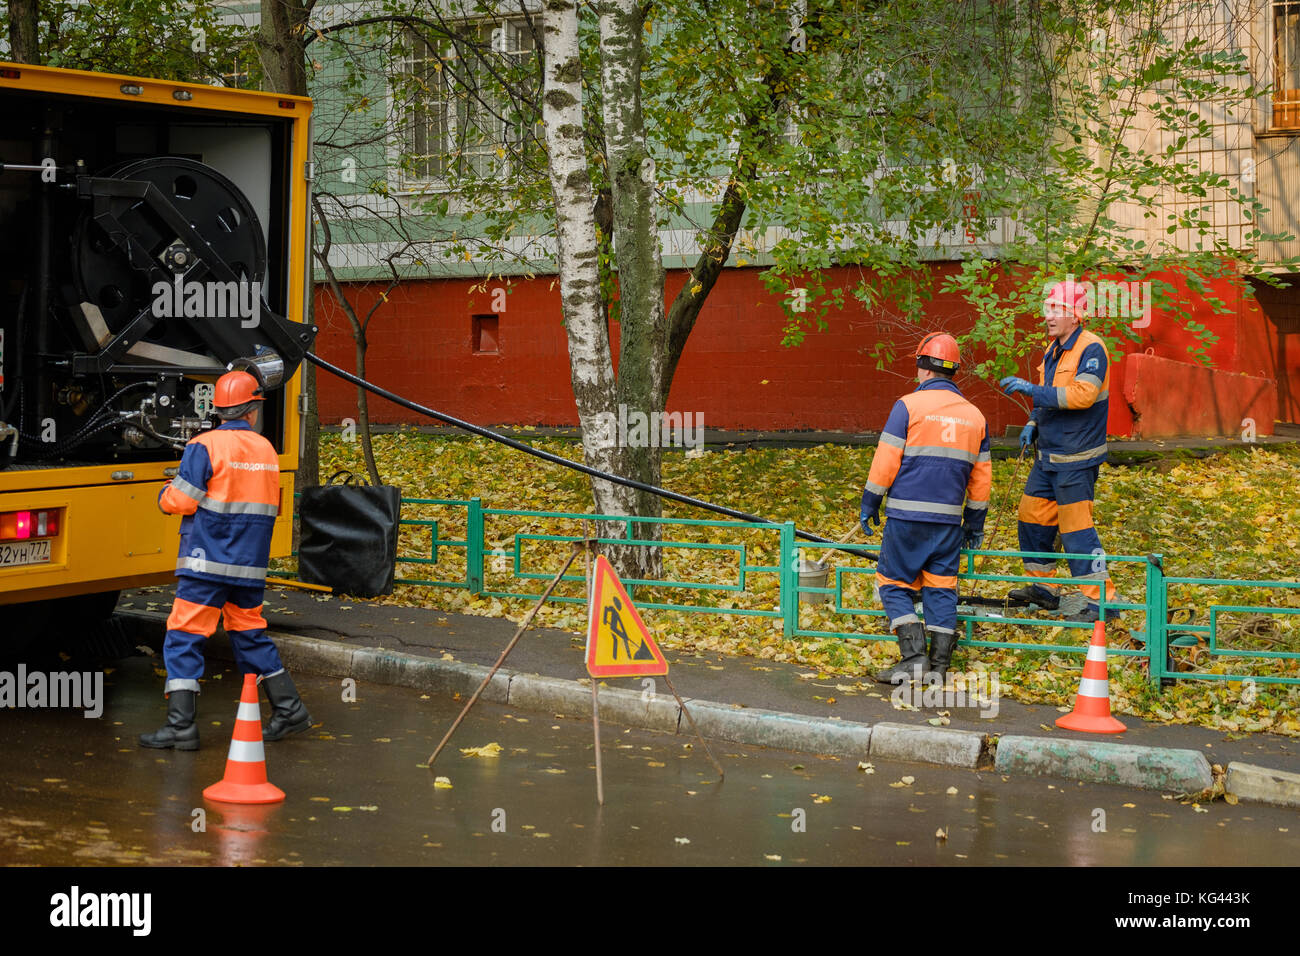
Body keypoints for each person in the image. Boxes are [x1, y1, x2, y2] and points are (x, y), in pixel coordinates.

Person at [139, 369, 312, 750]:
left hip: (207, 562)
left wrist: (164, 494)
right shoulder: (266, 449)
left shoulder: (205, 445)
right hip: (248, 566)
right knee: (249, 633)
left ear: (218, 410)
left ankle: (181, 726)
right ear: (252, 411)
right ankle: (290, 709)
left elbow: (182, 499)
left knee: (184, 637)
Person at [861, 333, 992, 685]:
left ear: (922, 366)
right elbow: (981, 480)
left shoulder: (907, 407)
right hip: (949, 524)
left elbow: (885, 460)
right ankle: (939, 667)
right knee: (941, 588)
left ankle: (914, 659)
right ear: (954, 372)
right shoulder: (975, 417)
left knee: (892, 584)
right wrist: (975, 524)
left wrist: (870, 501)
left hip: (906, 519)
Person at [999, 278, 1119, 622]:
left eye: (1057, 310)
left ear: (1076, 315)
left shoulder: (1092, 349)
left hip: (1076, 459)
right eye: (1048, 309)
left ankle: (1103, 604)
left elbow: (1082, 395)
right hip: (1048, 457)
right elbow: (1051, 391)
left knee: (1077, 531)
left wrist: (1031, 390)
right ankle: (1043, 590)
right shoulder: (1054, 349)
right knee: (1031, 518)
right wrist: (1033, 422)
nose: (1049, 316)